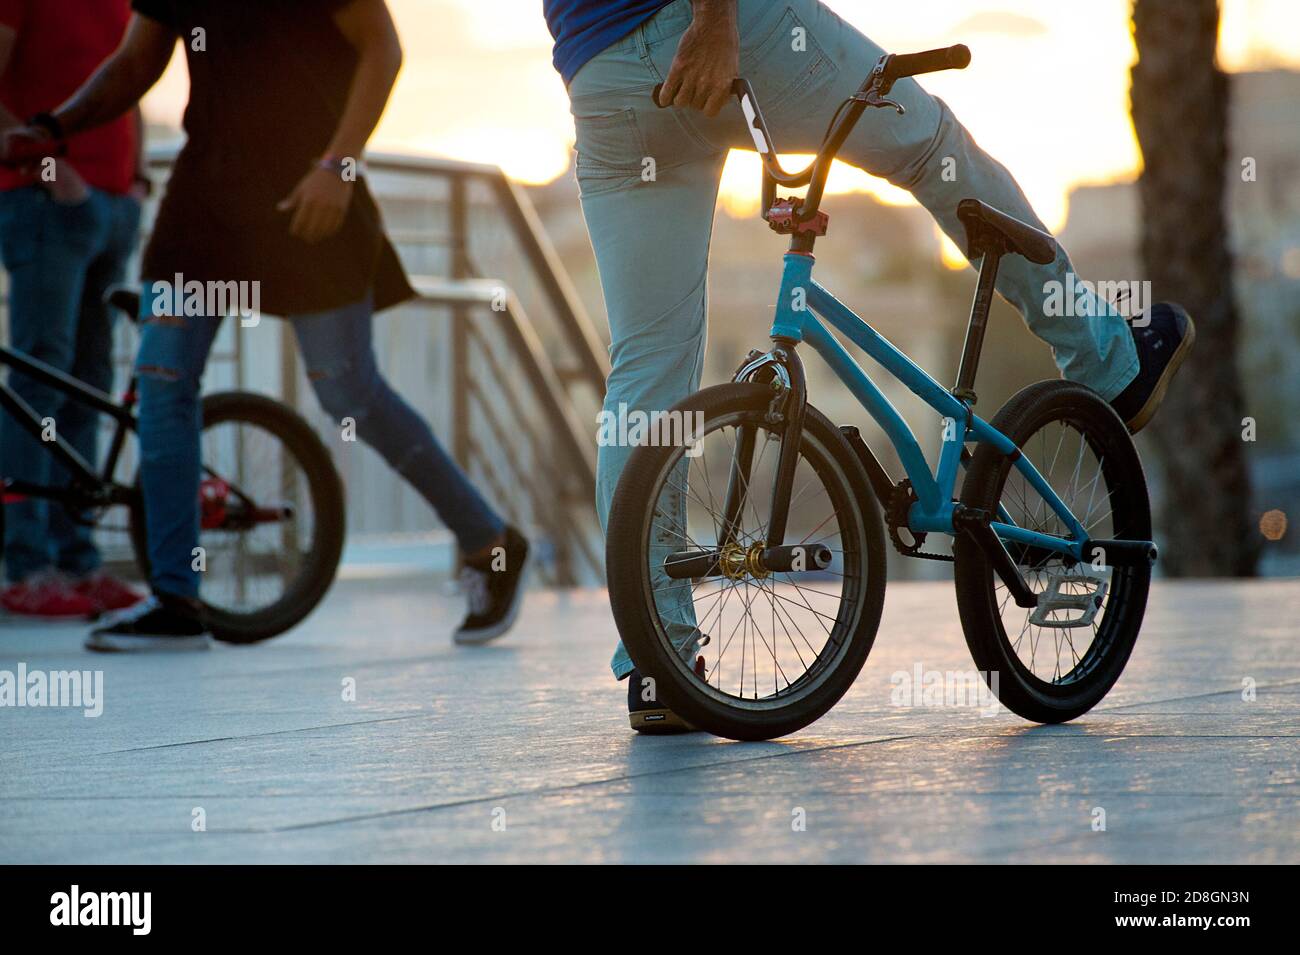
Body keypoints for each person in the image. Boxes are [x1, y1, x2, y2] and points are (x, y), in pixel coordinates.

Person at [544, 0, 1195, 732]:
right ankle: (1105, 357)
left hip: (599, 71)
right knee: (929, 144)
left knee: (645, 373)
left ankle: (657, 665)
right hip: (714, 25)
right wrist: (715, 22)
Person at [2, 0, 528, 650]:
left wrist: (340, 164)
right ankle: (176, 600)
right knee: (162, 380)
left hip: (309, 197)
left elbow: (383, 49)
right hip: (205, 201)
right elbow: (135, 63)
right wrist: (53, 128)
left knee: (349, 394)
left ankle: (490, 540)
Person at [0, 0, 149, 619]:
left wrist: (136, 179)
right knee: (40, 377)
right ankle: (25, 568)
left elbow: (131, 78)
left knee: (90, 384)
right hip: (45, 202)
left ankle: (77, 560)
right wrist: (50, 168)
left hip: (113, 205)